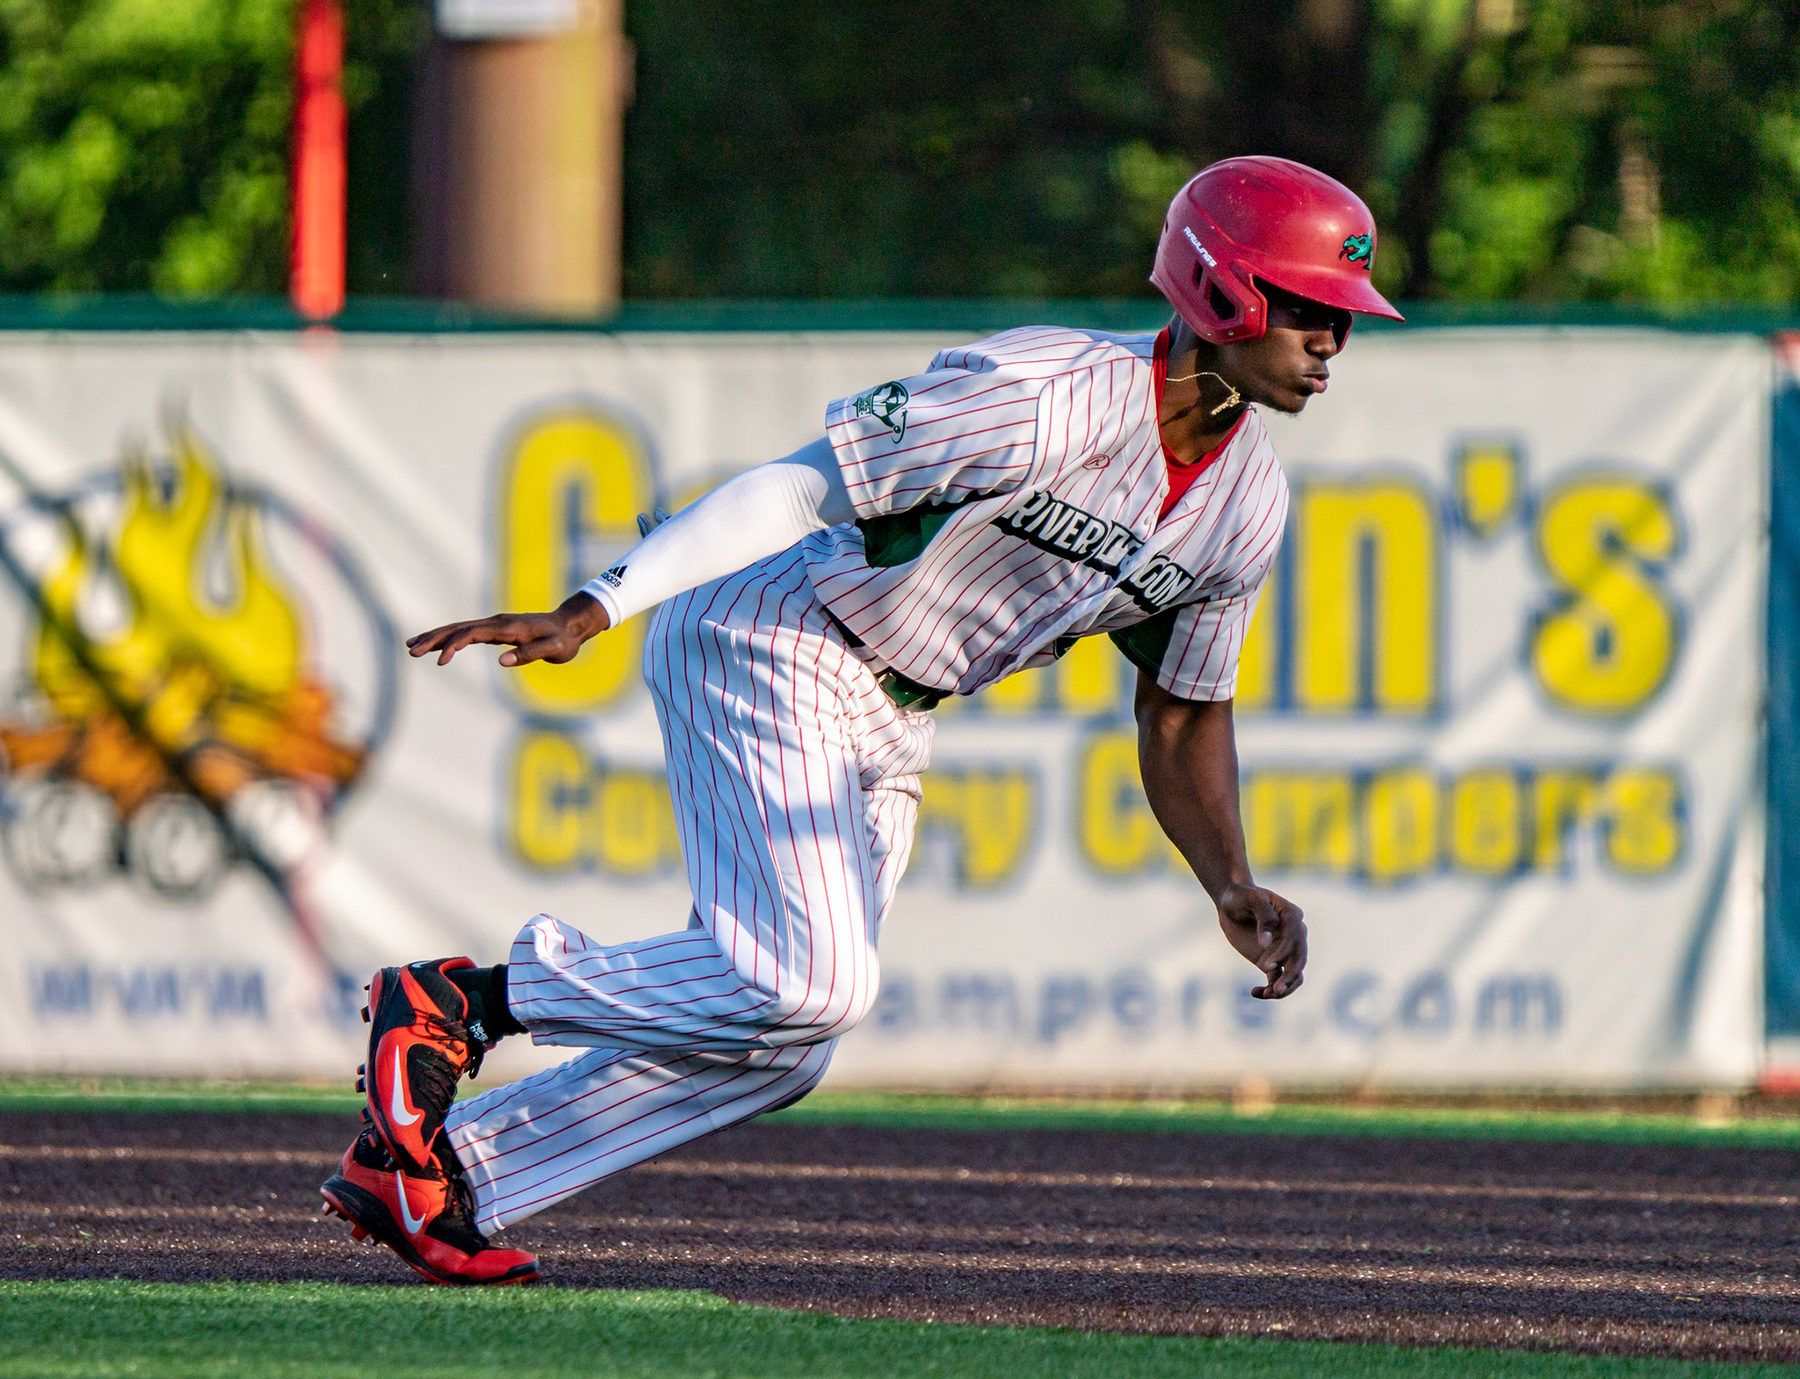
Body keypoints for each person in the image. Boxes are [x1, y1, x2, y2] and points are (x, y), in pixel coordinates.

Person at [318, 156, 1403, 1285]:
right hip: (783, 625)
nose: (1333, 340)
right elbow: (795, 487)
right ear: (1224, 291)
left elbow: (1181, 713)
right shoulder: (1043, 393)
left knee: (787, 1045)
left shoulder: (1247, 506)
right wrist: (599, 603)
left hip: (896, 712)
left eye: (1345, 318)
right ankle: (464, 1001)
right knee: (812, 982)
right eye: (1313, 308)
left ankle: (450, 1178)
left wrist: (1228, 880)